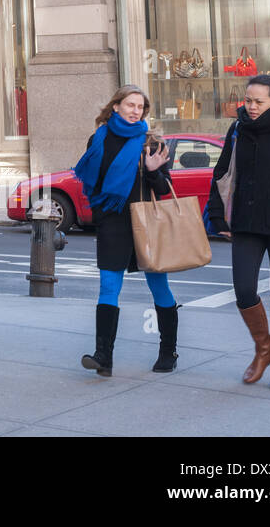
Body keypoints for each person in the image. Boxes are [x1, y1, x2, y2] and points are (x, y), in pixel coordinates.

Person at [207, 74, 270, 391]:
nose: (251, 107)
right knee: (243, 290)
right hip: (247, 223)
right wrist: (217, 216)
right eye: (248, 100)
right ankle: (264, 350)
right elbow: (222, 171)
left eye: (258, 102)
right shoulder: (238, 129)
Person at [72, 85, 177, 376]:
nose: (135, 111)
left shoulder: (151, 142)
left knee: (159, 287)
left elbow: (164, 191)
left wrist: (154, 170)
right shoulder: (99, 138)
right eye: (130, 105)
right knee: (108, 287)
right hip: (114, 222)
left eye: (140, 107)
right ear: (115, 106)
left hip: (147, 222)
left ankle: (169, 351)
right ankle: (103, 357)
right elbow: (92, 183)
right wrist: (102, 216)